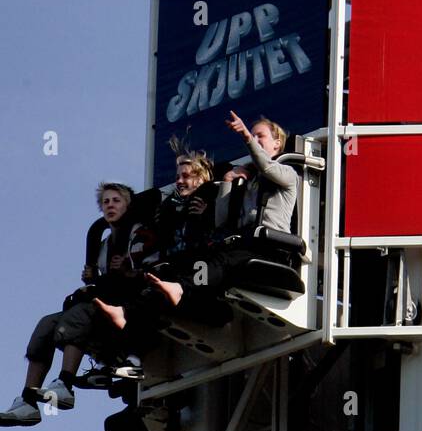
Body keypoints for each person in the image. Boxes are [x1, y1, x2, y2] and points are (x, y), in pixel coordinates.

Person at [98, 112, 298, 334]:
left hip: (270, 249)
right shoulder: (248, 182)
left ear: (277, 144)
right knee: (178, 271)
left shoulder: (287, 173)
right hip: (243, 248)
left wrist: (245, 136)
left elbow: (267, 167)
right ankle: (130, 312)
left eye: (260, 136)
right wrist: (229, 184)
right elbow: (222, 221)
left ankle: (181, 289)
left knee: (215, 263)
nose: (255, 138)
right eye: (253, 135)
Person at [0, 183, 152, 427]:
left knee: (77, 315)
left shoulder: (139, 233)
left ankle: (65, 383)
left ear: (128, 205)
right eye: (106, 202)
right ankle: (28, 400)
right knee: (46, 325)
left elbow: (151, 269)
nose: (110, 205)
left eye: (116, 200)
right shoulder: (104, 244)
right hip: (106, 298)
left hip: (130, 304)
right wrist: (93, 280)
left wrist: (128, 270)